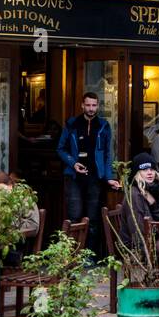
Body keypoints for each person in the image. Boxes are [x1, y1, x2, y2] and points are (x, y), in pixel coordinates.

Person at [56, 92, 120, 256]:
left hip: (95, 177)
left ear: (97, 106)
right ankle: (71, 255)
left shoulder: (104, 126)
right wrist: (73, 163)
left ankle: (89, 256)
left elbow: (107, 154)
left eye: (94, 105)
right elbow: (61, 149)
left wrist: (109, 177)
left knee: (93, 218)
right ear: (82, 105)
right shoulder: (72, 124)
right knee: (74, 215)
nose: (91, 109)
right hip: (74, 176)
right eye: (88, 105)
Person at [115, 153, 159, 252]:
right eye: (144, 170)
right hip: (136, 248)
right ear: (137, 173)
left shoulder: (155, 190)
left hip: (155, 239)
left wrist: (154, 205)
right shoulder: (134, 194)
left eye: (152, 169)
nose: (150, 173)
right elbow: (137, 232)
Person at [0, 171, 41, 235]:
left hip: (19, 241)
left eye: (0, 190)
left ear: (10, 186)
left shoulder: (25, 200)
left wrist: (8, 222)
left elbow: (33, 227)